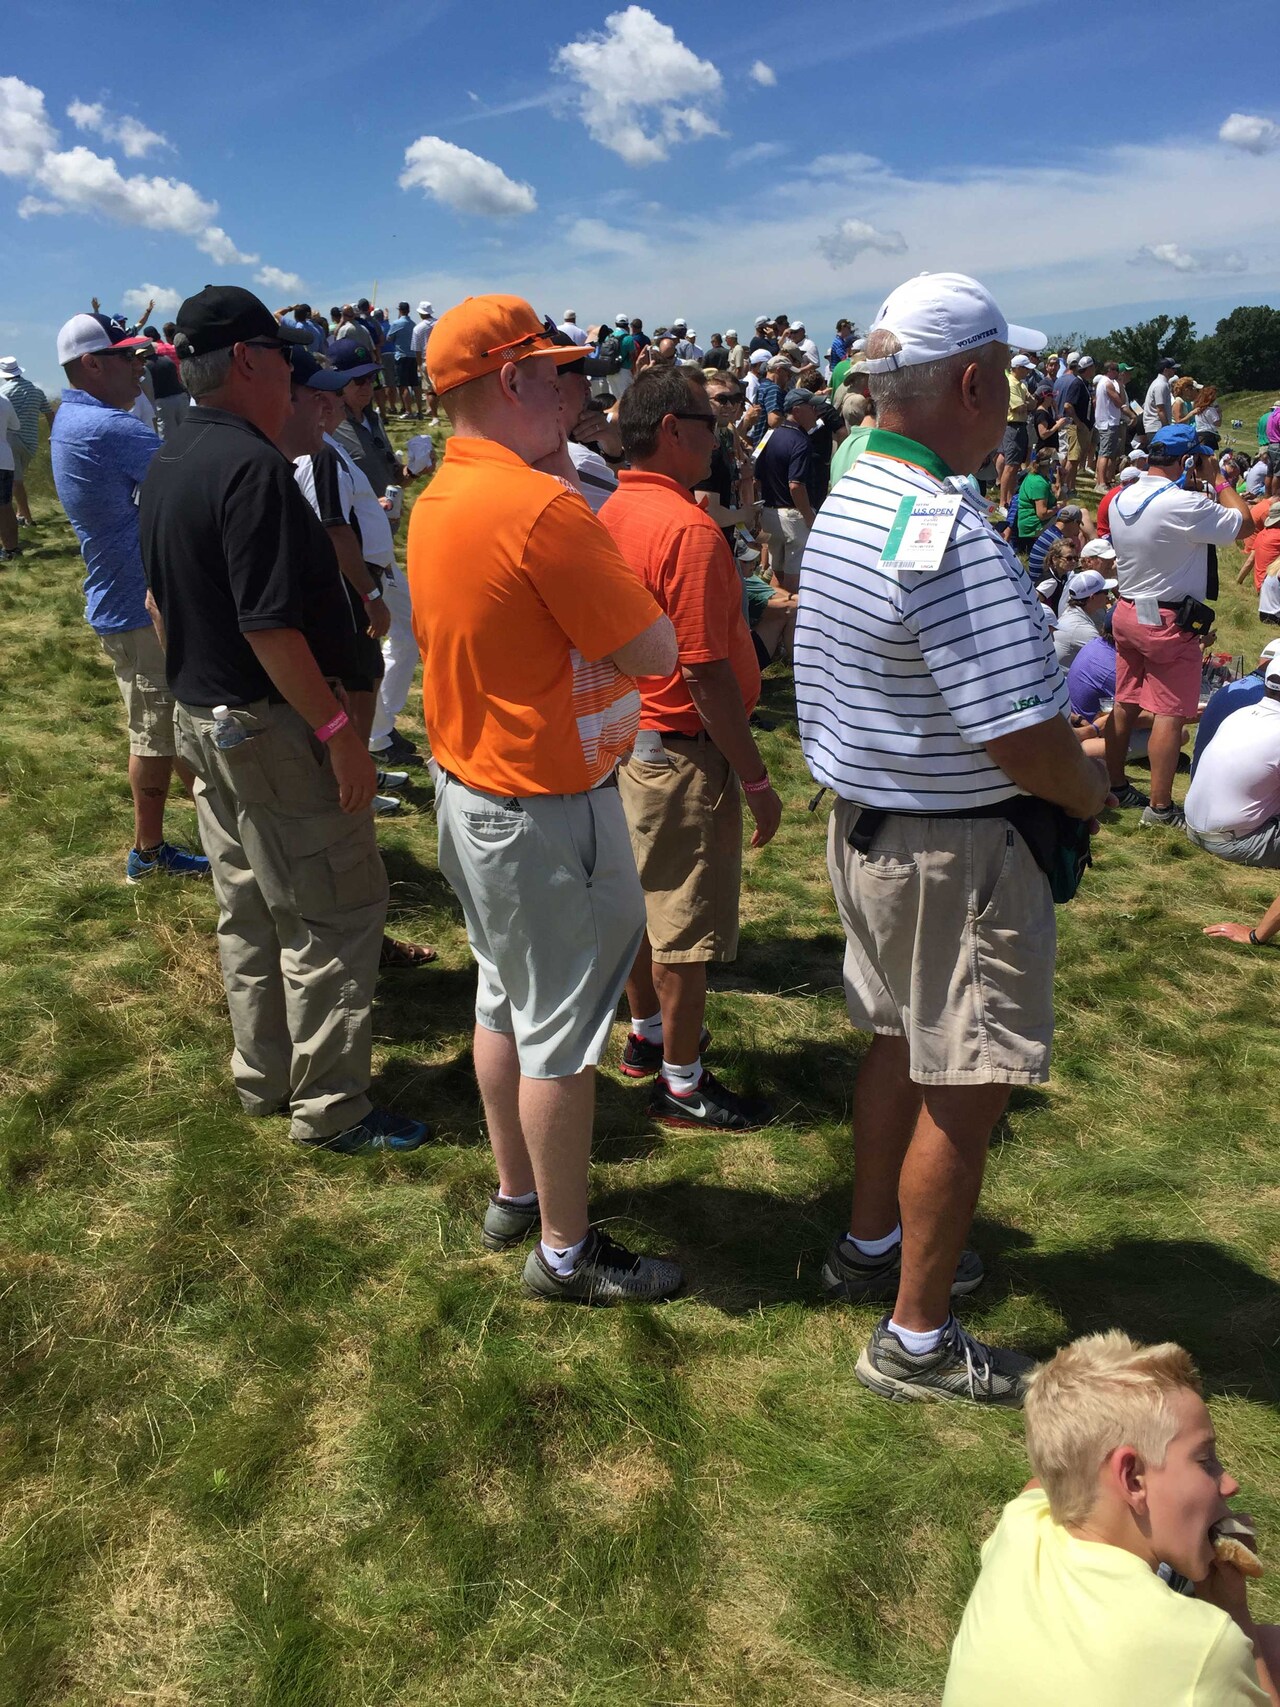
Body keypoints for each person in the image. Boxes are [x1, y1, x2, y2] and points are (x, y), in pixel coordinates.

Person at [793, 271, 1109, 1405]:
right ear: (971, 382)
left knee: (899, 1045)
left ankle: (872, 1246)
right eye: (1006, 378)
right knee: (963, 1088)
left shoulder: (852, 491)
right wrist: (1086, 793)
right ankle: (914, 1338)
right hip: (952, 846)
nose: (1013, 398)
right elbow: (1019, 738)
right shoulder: (945, 527)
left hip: (876, 829)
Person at [408, 293, 684, 1304]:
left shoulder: (441, 491)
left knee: (503, 998)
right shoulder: (539, 509)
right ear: (511, 381)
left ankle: (516, 1193)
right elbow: (653, 649)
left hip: (474, 792)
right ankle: (562, 1254)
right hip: (541, 802)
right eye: (559, 372)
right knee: (563, 1039)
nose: (577, 391)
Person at [139, 285, 426, 1153]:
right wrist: (340, 736)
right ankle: (332, 1107)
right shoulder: (251, 468)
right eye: (285, 362)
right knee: (333, 912)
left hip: (208, 718)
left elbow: (160, 603)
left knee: (250, 906)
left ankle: (265, 1075)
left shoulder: (173, 456)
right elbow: (270, 626)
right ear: (253, 363)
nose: (300, 383)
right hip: (272, 725)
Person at [599, 366, 780, 1131]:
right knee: (685, 923)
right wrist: (757, 775)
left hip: (624, 736)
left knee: (642, 905)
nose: (722, 436)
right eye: (710, 422)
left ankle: (647, 1037)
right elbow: (704, 669)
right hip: (680, 748)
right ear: (673, 431)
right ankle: (682, 1081)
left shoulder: (611, 511)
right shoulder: (689, 529)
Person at [943, 1330, 1278, 1706]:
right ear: (1132, 1477)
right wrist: (1233, 1613)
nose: (1229, 1483)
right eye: (1205, 1461)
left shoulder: (1022, 1524)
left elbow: (1038, 1482)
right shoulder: (1206, 1643)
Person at [50, 313, 210, 883]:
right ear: (91, 365)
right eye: (127, 358)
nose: (141, 367)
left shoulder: (76, 418)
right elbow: (195, 473)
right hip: (136, 606)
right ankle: (149, 853)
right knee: (157, 730)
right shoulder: (108, 429)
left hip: (120, 597)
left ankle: (200, 834)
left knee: (169, 725)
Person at [1105, 422, 1254, 826]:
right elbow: (1246, 523)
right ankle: (1160, 807)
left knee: (1126, 704)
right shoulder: (1184, 505)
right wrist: (1220, 478)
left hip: (1128, 611)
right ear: (1187, 459)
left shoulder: (1121, 495)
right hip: (1169, 621)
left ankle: (1115, 784)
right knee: (1169, 713)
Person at [756, 386, 816, 590]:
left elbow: (756, 475)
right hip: (793, 517)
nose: (816, 413)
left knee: (776, 575)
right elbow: (796, 485)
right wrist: (809, 516)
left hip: (770, 515)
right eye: (812, 408)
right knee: (794, 580)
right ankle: (789, 622)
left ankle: (775, 618)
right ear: (797, 411)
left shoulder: (770, 435)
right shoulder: (801, 441)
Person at [0, 357, 52, 531]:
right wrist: (54, 434)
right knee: (18, 479)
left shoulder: (5, 392)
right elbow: (49, 412)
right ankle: (21, 514)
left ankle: (28, 518)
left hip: (11, 438)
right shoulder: (36, 390)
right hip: (31, 441)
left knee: (16, 481)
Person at [1054, 564, 1116, 669]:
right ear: (1092, 597)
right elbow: (1110, 659)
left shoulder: (1074, 612)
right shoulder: (1082, 630)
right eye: (1105, 592)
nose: (1109, 596)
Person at [999, 354, 1034, 512]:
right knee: (1010, 466)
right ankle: (1002, 503)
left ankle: (1010, 499)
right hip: (1012, 426)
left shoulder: (1021, 384)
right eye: (1025, 369)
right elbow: (1017, 407)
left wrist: (1026, 403)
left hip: (1021, 425)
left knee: (1015, 466)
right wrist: (1026, 403)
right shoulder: (1010, 384)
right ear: (1018, 368)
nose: (1028, 372)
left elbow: (1032, 403)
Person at [1093, 359, 1127, 492]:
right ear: (1109, 371)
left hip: (1106, 421)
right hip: (1108, 422)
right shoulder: (1108, 384)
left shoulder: (1102, 383)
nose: (1118, 373)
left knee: (1109, 453)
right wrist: (1121, 385)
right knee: (1105, 454)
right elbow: (1120, 402)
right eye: (1116, 370)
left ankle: (1106, 480)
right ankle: (1101, 483)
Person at [384, 301, 418, 419]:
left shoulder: (396, 323)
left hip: (401, 356)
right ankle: (418, 410)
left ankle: (408, 411)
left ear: (400, 310)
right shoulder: (413, 324)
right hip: (412, 356)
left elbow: (389, 338)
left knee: (403, 385)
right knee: (414, 384)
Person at [411, 300, 436, 422]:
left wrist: (419, 364)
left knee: (429, 390)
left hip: (427, 359)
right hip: (440, 358)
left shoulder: (418, 329)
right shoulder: (439, 323)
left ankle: (434, 416)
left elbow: (417, 349)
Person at [1142, 356, 1177, 436]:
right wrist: (1167, 429)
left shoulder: (1162, 383)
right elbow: (1160, 410)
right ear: (1165, 370)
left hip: (1157, 427)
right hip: (1156, 428)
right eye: (1173, 368)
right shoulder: (1160, 385)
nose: (1175, 371)